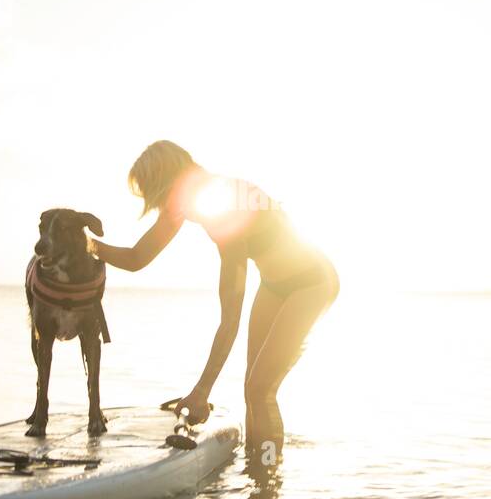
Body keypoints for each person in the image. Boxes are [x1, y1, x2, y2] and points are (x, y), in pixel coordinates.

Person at [90, 141, 338, 455]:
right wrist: (88, 245)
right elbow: (138, 257)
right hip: (275, 286)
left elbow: (230, 319)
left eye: (158, 195)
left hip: (312, 282)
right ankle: (257, 471)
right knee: (252, 389)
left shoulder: (224, 205)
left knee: (260, 389)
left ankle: (266, 479)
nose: (161, 208)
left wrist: (201, 391)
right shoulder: (192, 199)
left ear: (169, 183)